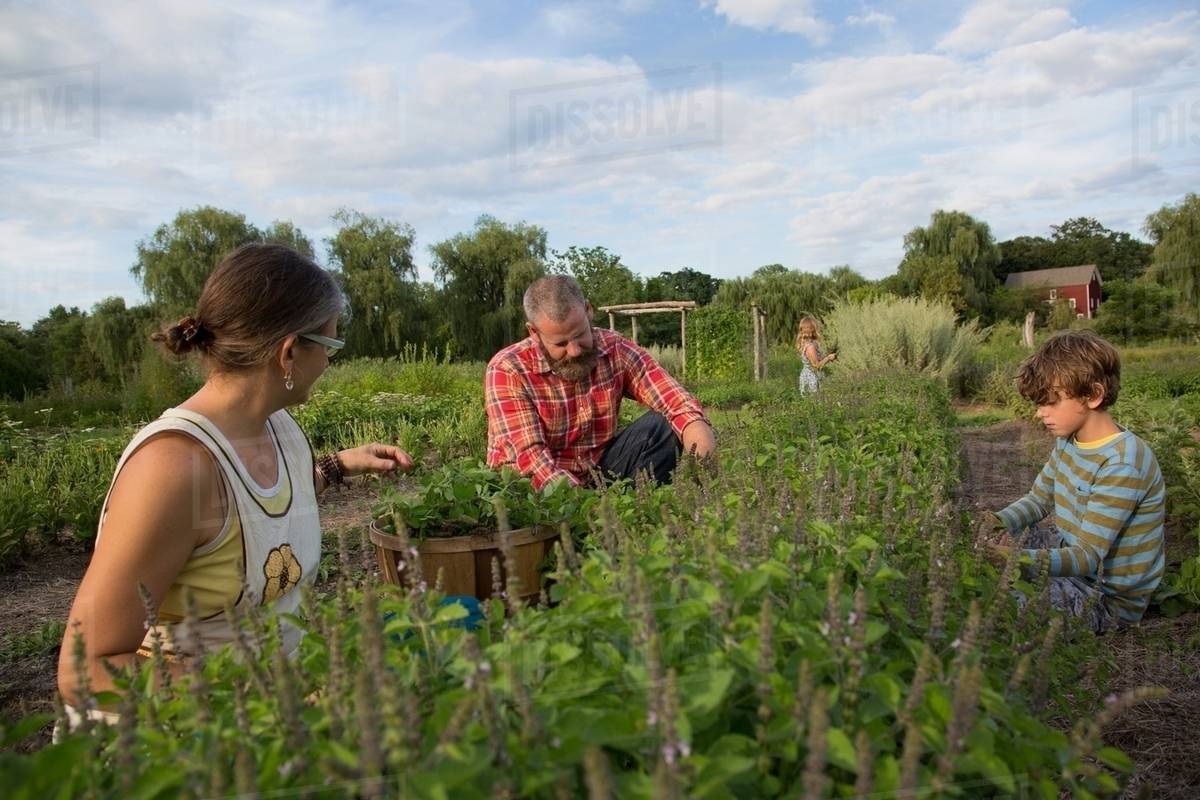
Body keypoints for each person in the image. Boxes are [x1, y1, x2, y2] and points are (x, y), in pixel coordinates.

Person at [57, 243, 414, 723]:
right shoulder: (175, 468)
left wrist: (337, 467)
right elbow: (88, 670)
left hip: (270, 724)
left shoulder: (277, 427)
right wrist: (265, 691)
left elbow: (244, 518)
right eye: (329, 345)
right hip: (176, 745)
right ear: (289, 351)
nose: (330, 362)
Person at [985, 331, 1165, 633]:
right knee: (984, 548)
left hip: (1102, 596)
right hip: (1070, 553)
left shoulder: (1121, 464)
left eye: (1051, 402)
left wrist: (1012, 559)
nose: (1040, 412)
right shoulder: (1070, 440)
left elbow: (1085, 558)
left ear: (1093, 395)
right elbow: (1039, 500)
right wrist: (995, 522)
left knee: (996, 607)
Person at [485, 275, 715, 490]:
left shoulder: (615, 349)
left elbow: (674, 400)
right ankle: (613, 521)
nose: (574, 351)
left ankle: (638, 516)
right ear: (534, 332)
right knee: (529, 491)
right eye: (561, 344)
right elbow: (530, 459)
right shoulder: (508, 369)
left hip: (597, 475)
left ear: (588, 310)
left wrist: (702, 447)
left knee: (662, 425)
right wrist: (589, 510)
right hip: (537, 490)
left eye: (579, 335)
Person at [795, 315, 835, 394]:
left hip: (808, 376)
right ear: (812, 329)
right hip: (811, 378)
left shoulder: (808, 343)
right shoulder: (810, 347)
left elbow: (817, 358)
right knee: (815, 403)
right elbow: (817, 365)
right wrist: (829, 358)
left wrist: (826, 356)